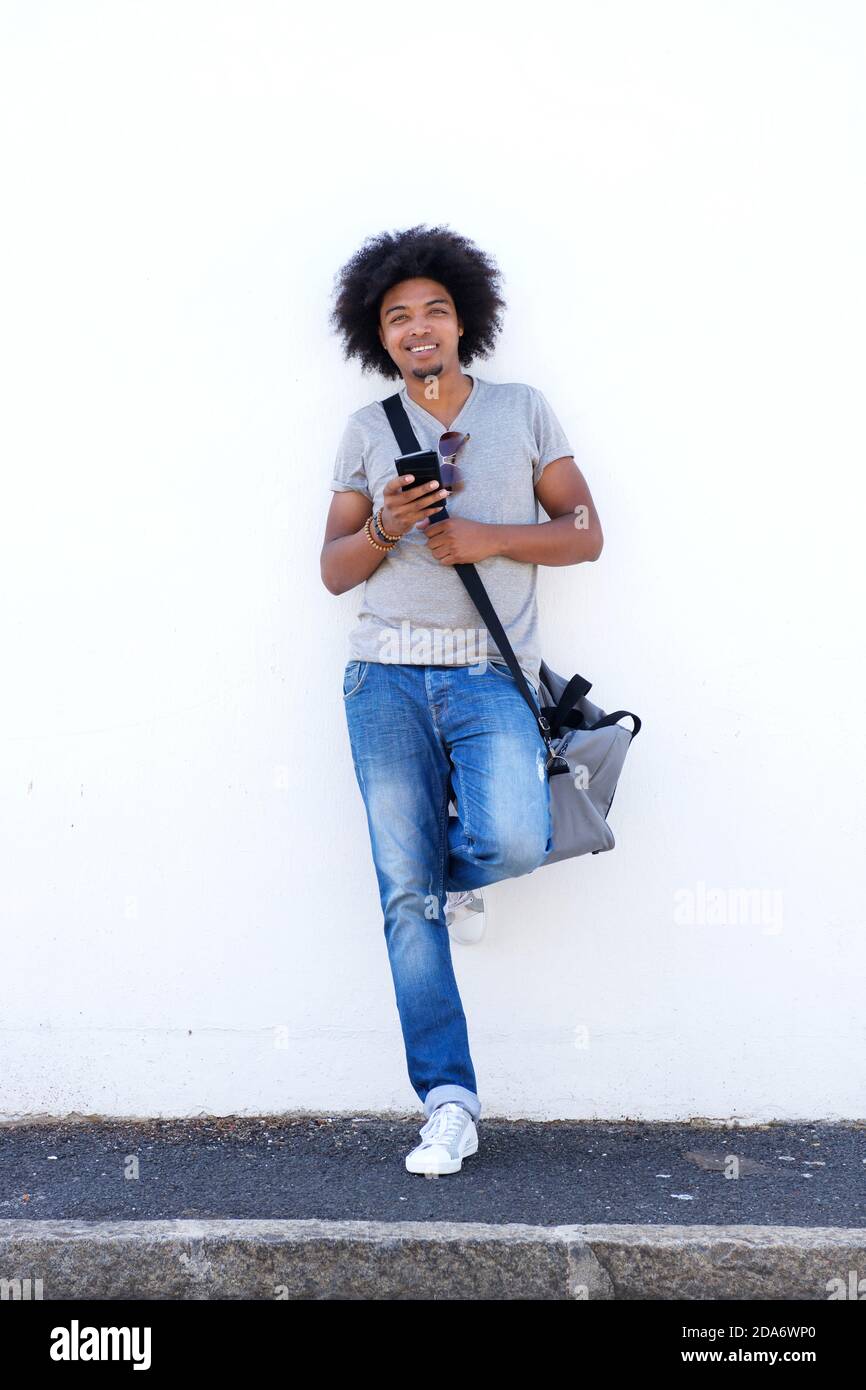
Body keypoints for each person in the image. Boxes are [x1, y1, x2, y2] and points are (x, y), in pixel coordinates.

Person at [321, 224, 603, 1175]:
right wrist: (387, 528)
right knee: (404, 897)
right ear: (380, 337)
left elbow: (584, 531)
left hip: (490, 674)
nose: (418, 328)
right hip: (385, 679)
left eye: (434, 309)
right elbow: (333, 568)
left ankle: (435, 880)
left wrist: (486, 534)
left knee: (515, 839)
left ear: (464, 319)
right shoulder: (369, 431)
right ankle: (449, 1099)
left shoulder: (523, 410)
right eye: (398, 317)